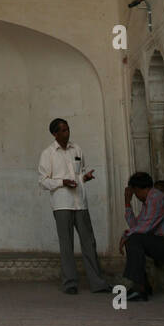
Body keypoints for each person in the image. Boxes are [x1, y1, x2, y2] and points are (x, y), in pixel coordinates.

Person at [39, 118, 111, 295]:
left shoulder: (76, 149)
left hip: (80, 202)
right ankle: (70, 283)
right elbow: (42, 181)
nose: (66, 133)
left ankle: (97, 283)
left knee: (89, 242)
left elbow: (81, 172)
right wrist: (62, 182)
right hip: (62, 204)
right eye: (62, 130)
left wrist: (85, 178)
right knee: (67, 245)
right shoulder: (48, 154)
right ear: (54, 134)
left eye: (67, 129)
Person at [118, 170, 164, 302]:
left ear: (137, 189)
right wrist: (127, 203)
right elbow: (136, 226)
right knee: (133, 238)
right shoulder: (149, 201)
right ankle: (142, 285)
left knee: (134, 239)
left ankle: (140, 288)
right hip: (161, 242)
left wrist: (127, 236)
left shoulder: (156, 198)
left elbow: (144, 228)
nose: (135, 196)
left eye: (134, 192)